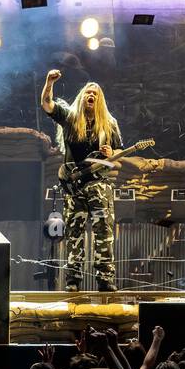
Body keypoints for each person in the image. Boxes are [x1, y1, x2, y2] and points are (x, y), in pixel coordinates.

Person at [41, 69, 123, 291]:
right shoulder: (70, 117)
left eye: (96, 94)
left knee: (103, 230)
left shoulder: (109, 124)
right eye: (89, 91)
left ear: (100, 100)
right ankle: (73, 280)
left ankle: (105, 280)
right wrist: (49, 82)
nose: (92, 95)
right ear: (82, 95)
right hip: (74, 186)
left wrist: (109, 154)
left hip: (99, 185)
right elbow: (47, 104)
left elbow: (118, 157)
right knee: (74, 232)